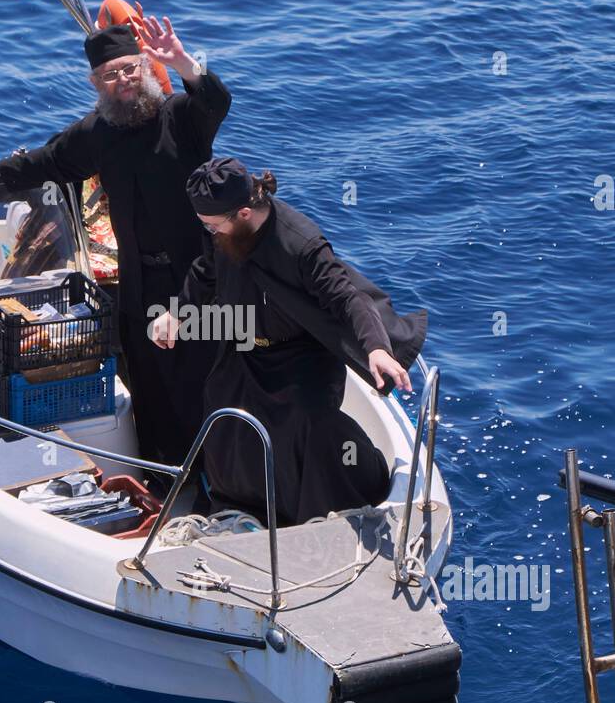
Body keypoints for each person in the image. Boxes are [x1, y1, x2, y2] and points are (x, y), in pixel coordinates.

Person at [0, 17, 230, 467]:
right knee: (149, 383)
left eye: (129, 69)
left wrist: (182, 61)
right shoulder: (95, 133)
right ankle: (162, 475)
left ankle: (219, 476)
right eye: (110, 74)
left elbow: (216, 101)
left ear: (144, 68)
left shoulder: (180, 119)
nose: (122, 80)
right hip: (139, 282)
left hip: (197, 278)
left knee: (201, 375)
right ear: (95, 82)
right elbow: (49, 161)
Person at [150, 157, 427, 526]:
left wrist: (376, 347)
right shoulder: (223, 231)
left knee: (304, 428)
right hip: (245, 349)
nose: (209, 232)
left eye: (213, 226)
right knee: (226, 422)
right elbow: (207, 271)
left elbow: (348, 298)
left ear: (245, 214)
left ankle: (316, 511)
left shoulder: (301, 243)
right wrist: (177, 312)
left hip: (302, 358)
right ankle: (239, 508)